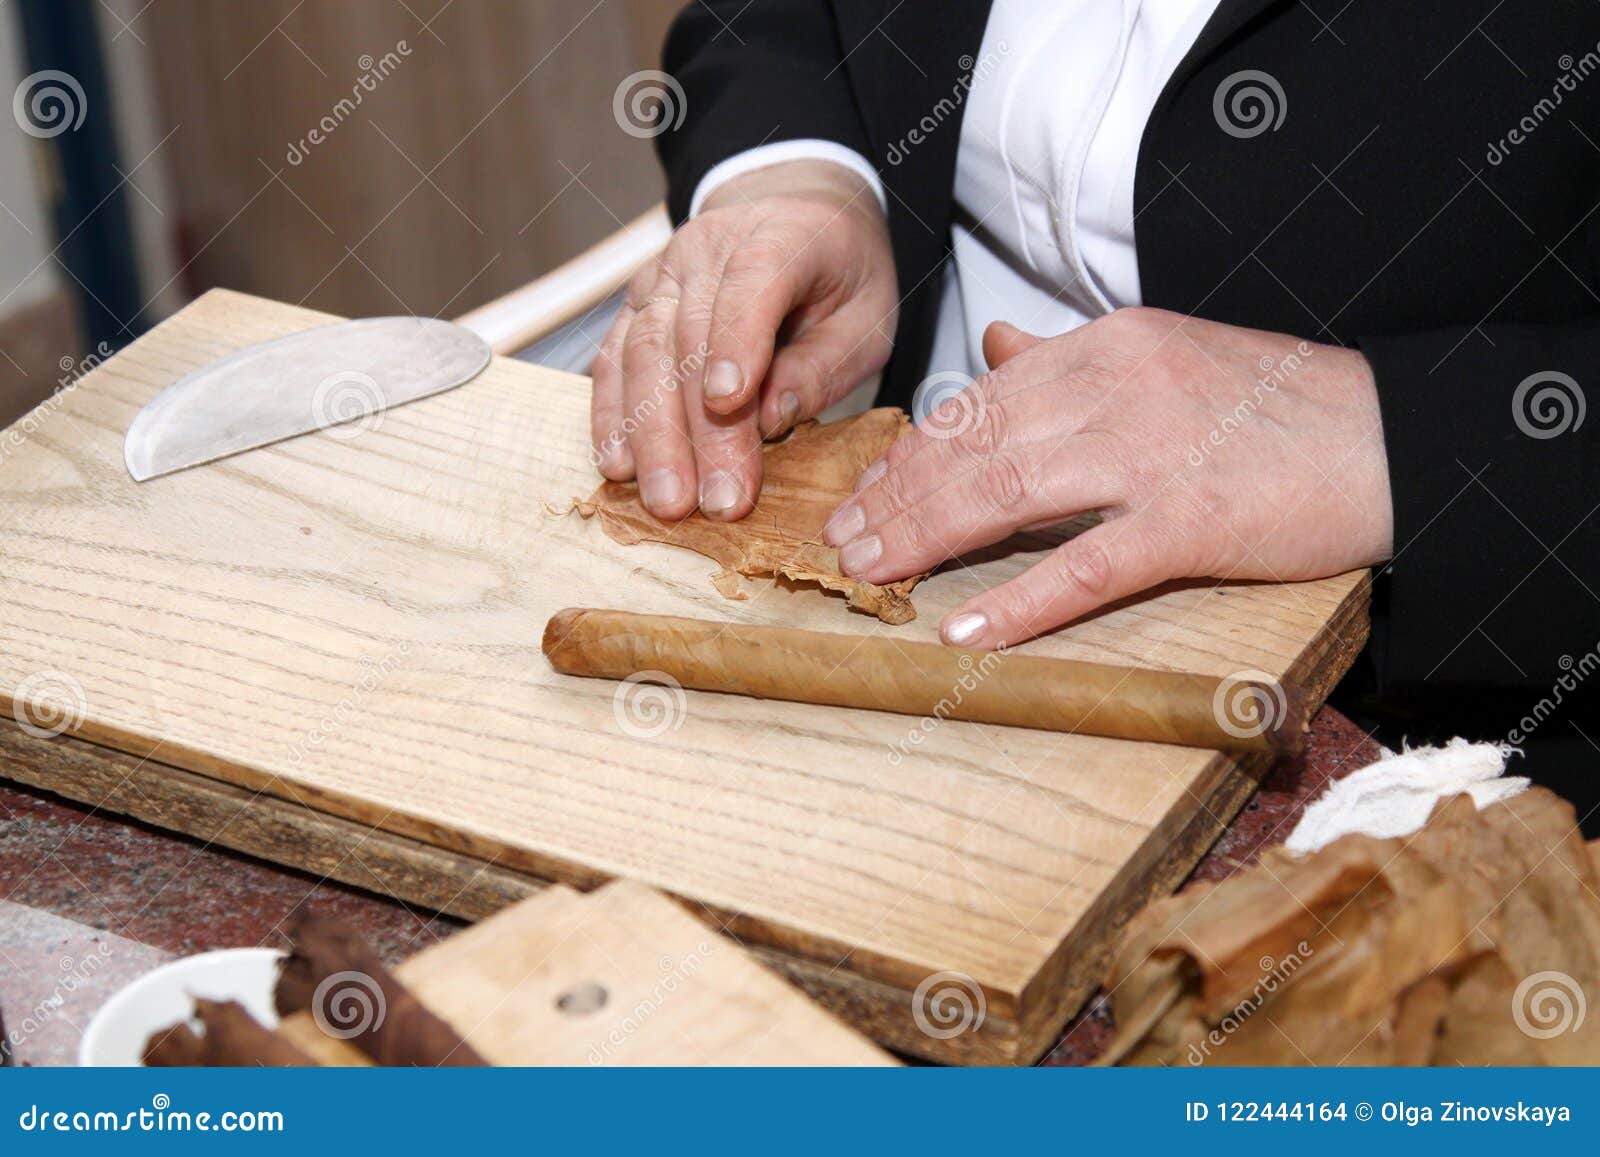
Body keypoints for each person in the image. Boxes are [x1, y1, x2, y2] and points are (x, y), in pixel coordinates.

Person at [593, 0, 1600, 820]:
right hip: (904, 599)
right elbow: (776, 18)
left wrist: (1391, 439)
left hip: (1443, 728)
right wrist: (801, 179)